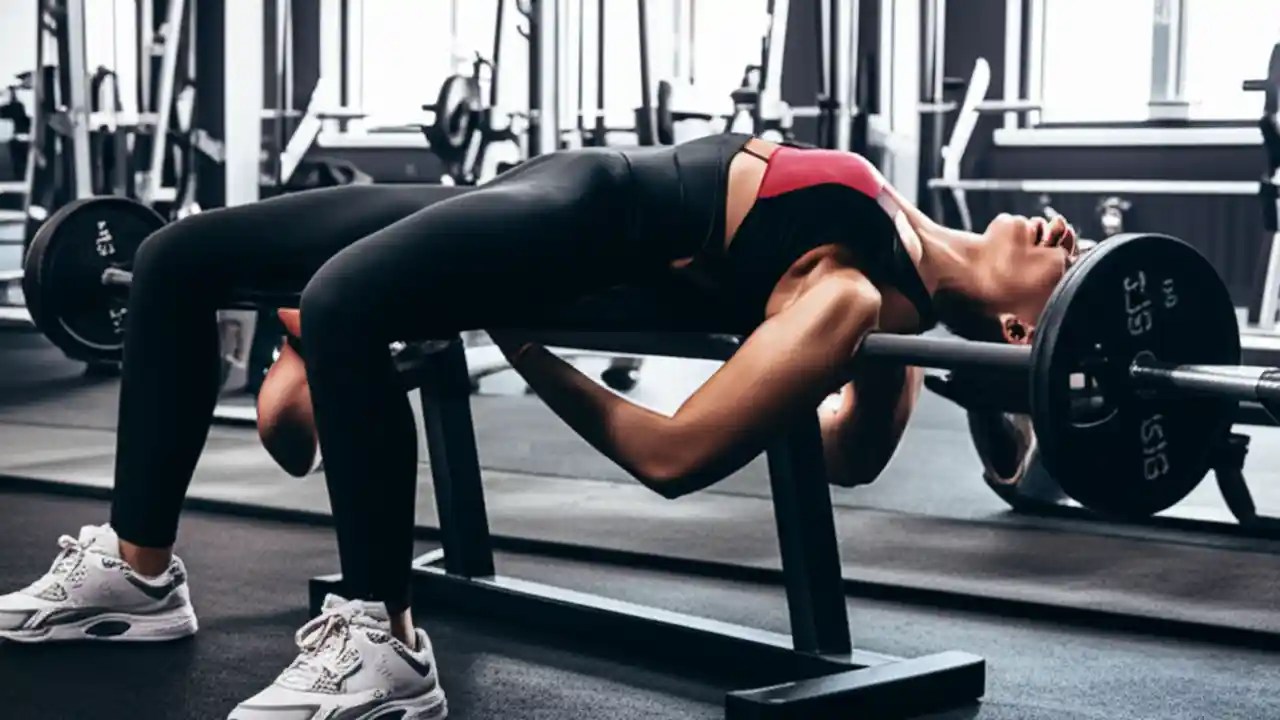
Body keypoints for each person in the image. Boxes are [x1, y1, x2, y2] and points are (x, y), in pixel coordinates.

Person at [0, 134, 1079, 719]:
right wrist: (1005, 414)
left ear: (1023, 325)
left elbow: (673, 456)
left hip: (580, 221)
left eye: (1068, 270)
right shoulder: (896, 232)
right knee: (171, 262)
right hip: (533, 187)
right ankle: (138, 577)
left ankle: (386, 645)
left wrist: (523, 350)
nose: (1064, 235)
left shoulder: (850, 298)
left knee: (340, 305)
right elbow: (855, 448)